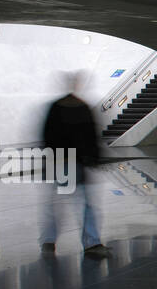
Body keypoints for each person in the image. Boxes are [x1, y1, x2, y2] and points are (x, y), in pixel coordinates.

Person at [40, 71, 110, 259]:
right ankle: (91, 242)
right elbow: (90, 136)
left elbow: (48, 136)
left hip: (64, 162)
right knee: (84, 204)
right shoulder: (83, 107)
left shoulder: (56, 108)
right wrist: (93, 157)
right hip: (75, 162)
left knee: (58, 204)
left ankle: (48, 240)